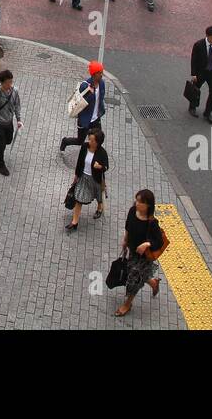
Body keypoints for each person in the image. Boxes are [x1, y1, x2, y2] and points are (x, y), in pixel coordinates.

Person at [114, 189, 165, 317]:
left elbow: (159, 241)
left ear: (148, 205)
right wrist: (125, 240)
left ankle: (127, 304)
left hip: (144, 257)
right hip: (132, 251)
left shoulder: (152, 222)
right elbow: (128, 226)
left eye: (140, 202)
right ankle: (153, 283)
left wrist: (147, 244)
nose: (136, 203)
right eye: (136, 200)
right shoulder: (132, 211)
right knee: (135, 273)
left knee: (134, 279)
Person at [66, 127, 107, 231]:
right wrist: (76, 175)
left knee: (98, 195)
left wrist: (100, 167)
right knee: (79, 198)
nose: (89, 141)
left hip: (95, 179)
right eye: (89, 139)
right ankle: (75, 222)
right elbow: (80, 161)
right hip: (83, 177)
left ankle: (99, 207)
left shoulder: (102, 153)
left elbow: (106, 167)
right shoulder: (85, 146)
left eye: (92, 140)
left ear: (97, 142)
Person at [60, 61, 106, 150]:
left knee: (99, 139)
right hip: (85, 119)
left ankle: (93, 155)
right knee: (80, 141)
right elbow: (81, 103)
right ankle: (65, 141)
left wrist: (100, 110)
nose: (101, 75)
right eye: (99, 73)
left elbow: (101, 98)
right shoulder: (85, 86)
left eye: (102, 72)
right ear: (93, 74)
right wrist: (90, 94)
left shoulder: (102, 83)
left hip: (96, 119)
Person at [188, 27, 212, 122]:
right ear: (207, 36)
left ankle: (208, 113)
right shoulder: (198, 45)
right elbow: (193, 60)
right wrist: (194, 74)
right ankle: (192, 107)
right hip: (200, 72)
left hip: (211, 72)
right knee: (195, 89)